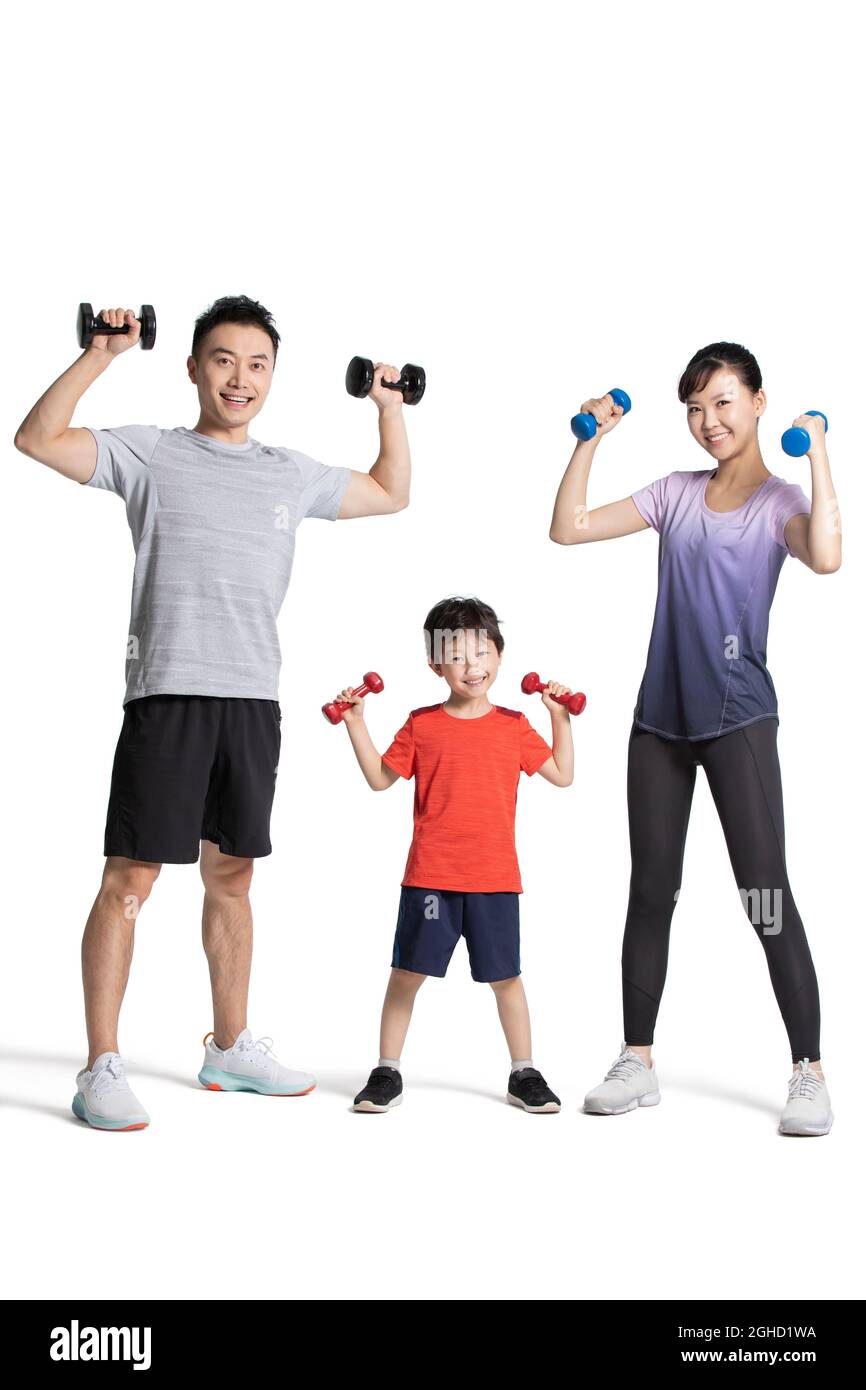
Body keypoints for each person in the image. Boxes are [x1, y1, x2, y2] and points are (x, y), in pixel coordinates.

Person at [14, 295, 413, 1130]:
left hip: (253, 701)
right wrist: (102, 354)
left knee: (232, 877)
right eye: (224, 360)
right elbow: (37, 437)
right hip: (168, 695)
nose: (240, 378)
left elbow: (389, 490)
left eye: (257, 364)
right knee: (130, 882)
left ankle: (227, 1049)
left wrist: (388, 408)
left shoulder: (287, 470)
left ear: (273, 376)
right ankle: (100, 1067)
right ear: (193, 366)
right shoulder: (150, 453)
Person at [549, 342, 840, 1136]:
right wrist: (590, 437)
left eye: (723, 402)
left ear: (756, 402)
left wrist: (818, 456)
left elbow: (827, 557)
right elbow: (568, 529)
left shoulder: (779, 502)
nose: (708, 421)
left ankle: (808, 1072)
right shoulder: (674, 494)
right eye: (696, 407)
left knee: (765, 896)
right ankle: (636, 1059)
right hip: (658, 724)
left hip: (739, 720)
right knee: (651, 891)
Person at [333, 595, 574, 1114]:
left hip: (494, 880)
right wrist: (356, 722)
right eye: (458, 656)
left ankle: (523, 1073)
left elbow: (562, 774)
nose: (472, 666)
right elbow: (380, 779)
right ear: (435, 664)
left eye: (482, 652)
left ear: (500, 655)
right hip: (431, 880)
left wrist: (560, 717)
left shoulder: (513, 726)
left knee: (506, 979)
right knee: (406, 975)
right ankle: (386, 1071)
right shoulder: (422, 725)